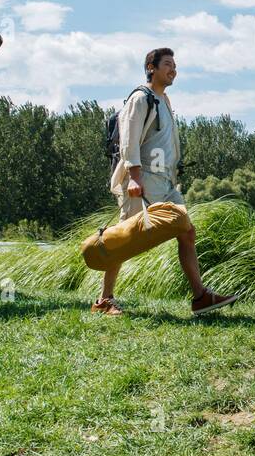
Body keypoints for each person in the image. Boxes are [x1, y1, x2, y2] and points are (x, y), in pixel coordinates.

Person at [94, 47, 239, 317]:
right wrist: (135, 177)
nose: (174, 70)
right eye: (168, 64)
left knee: (187, 232)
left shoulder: (165, 100)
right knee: (123, 239)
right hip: (144, 180)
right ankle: (104, 300)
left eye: (175, 65)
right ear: (151, 67)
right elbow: (128, 140)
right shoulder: (141, 98)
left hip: (168, 183)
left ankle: (200, 297)